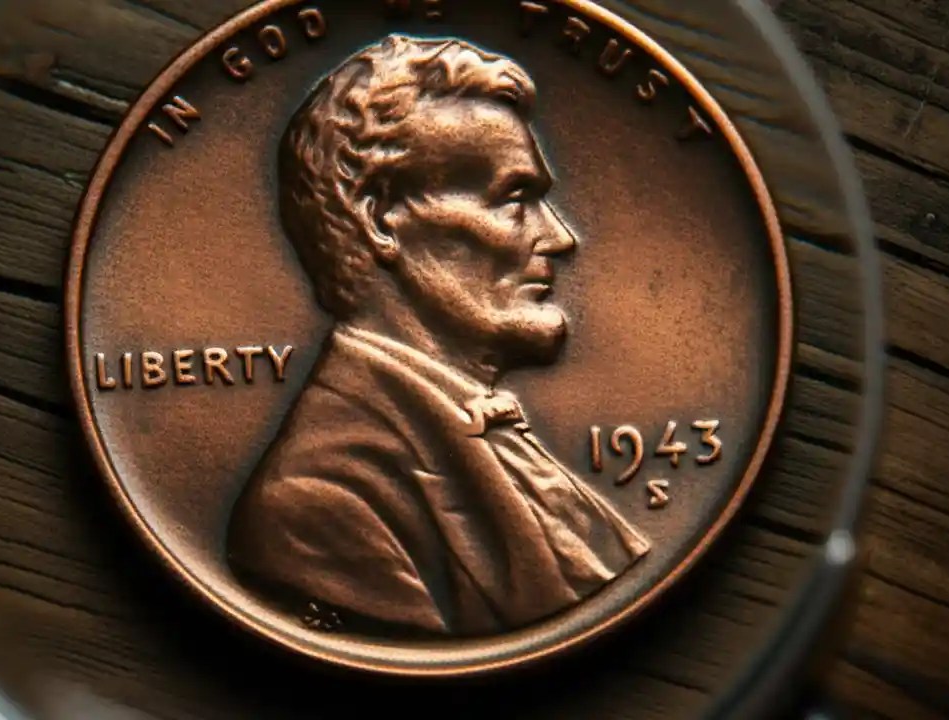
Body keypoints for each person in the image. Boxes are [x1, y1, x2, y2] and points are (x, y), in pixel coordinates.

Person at [226, 35, 650, 636]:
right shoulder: (315, 502)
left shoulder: (486, 435)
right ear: (379, 218)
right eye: (514, 198)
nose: (559, 238)